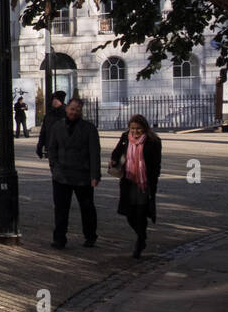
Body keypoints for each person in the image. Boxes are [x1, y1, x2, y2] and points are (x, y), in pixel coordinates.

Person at [46, 97, 101, 248]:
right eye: (72, 109)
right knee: (61, 209)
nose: (74, 112)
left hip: (82, 175)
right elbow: (52, 148)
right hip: (61, 175)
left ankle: (90, 236)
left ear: (81, 111)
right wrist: (54, 167)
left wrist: (95, 175)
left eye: (77, 109)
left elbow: (94, 153)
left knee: (87, 208)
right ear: (66, 108)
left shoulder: (89, 128)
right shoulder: (57, 126)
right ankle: (59, 239)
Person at [110, 114, 162, 258]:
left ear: (144, 128)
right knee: (129, 215)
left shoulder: (154, 141)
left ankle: (140, 241)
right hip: (129, 181)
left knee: (140, 213)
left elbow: (156, 165)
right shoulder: (125, 138)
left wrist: (153, 184)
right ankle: (142, 235)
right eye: (132, 128)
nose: (135, 131)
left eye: (138, 129)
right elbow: (116, 153)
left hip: (144, 183)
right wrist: (114, 160)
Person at [36, 90, 67, 160]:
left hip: (64, 149)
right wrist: (39, 146)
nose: (53, 101)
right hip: (51, 148)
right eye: (53, 99)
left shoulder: (67, 113)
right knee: (55, 168)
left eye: (55, 99)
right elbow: (43, 132)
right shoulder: (49, 114)